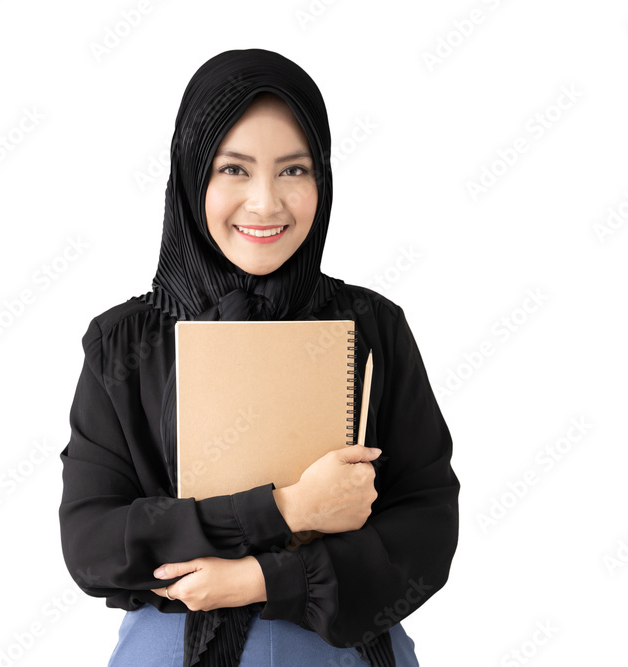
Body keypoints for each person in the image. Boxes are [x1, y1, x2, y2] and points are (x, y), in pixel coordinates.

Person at [58, 48, 460, 667]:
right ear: (194, 177)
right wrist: (287, 509)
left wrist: (261, 581)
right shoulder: (125, 342)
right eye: (235, 170)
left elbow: (429, 529)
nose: (267, 203)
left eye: (294, 170)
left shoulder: (373, 327)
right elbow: (93, 545)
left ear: (322, 179)